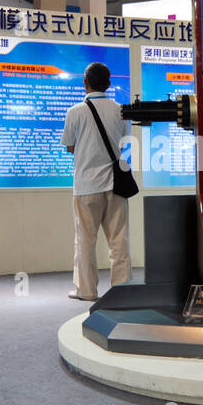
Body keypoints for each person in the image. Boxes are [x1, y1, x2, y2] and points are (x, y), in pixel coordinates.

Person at [61, 62, 130, 301]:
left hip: (86, 185)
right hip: (116, 185)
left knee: (85, 240)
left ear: (85, 82)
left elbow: (70, 146)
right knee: (119, 240)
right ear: (109, 84)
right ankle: (121, 291)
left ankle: (87, 291)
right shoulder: (120, 110)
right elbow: (121, 143)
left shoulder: (75, 112)